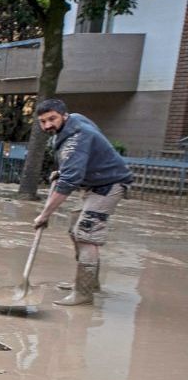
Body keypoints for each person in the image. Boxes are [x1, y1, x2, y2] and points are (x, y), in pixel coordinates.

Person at [31, 99, 133, 306]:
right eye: (43, 121)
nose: (48, 125)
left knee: (86, 235)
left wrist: (45, 215)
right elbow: (85, 156)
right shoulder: (75, 120)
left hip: (108, 186)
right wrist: (64, 170)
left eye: (52, 119)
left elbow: (68, 183)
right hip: (93, 184)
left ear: (64, 115)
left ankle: (84, 293)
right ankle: (89, 282)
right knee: (74, 230)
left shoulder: (74, 141)